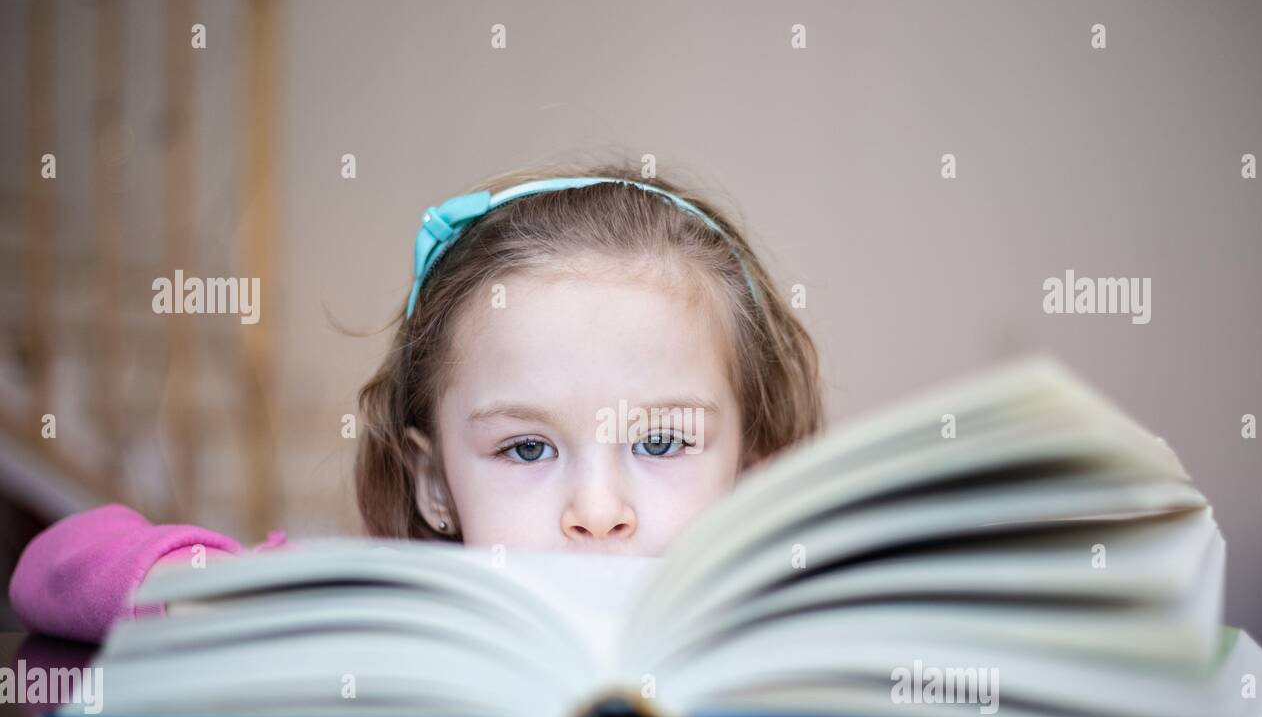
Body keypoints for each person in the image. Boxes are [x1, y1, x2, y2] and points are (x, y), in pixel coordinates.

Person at [9, 162, 823, 643]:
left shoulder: (796, 624)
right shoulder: (383, 614)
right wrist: (235, 597)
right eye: (527, 448)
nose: (597, 512)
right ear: (434, 484)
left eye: (661, 442)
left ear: (750, 474)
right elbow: (52, 568)